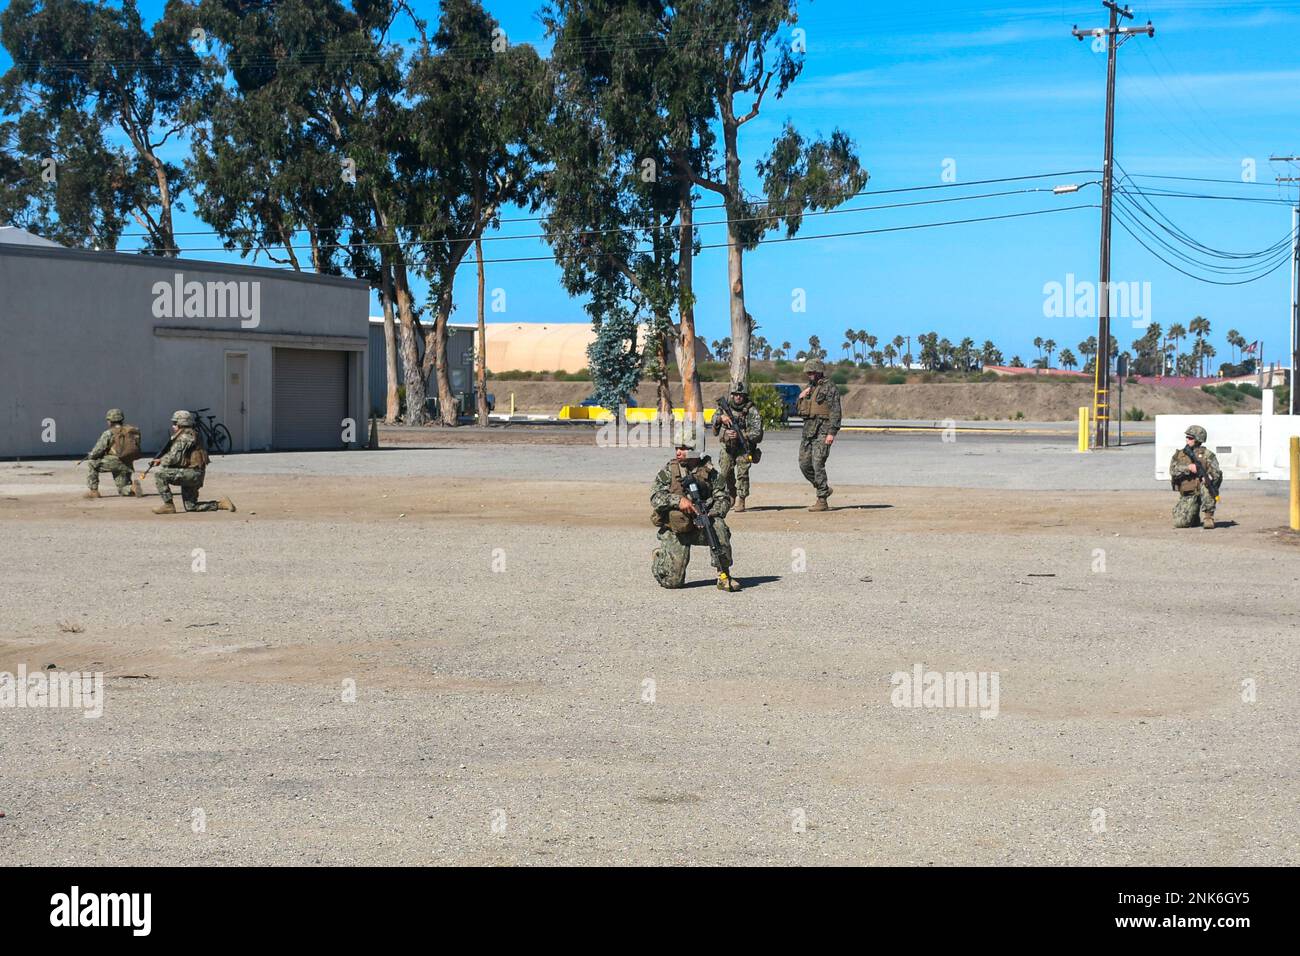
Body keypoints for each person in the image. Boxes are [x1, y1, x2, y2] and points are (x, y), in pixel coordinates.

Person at [650, 438, 741, 591]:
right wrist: (678, 501)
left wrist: (711, 513)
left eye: (684, 448)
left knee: (718, 526)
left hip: (702, 524)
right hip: (677, 528)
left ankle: (723, 574)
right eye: (677, 447)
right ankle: (660, 557)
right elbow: (655, 497)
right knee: (672, 582)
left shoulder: (710, 473)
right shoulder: (670, 471)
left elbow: (724, 499)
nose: (678, 451)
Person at [150, 410, 236, 515]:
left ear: (181, 423)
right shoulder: (192, 434)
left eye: (175, 423)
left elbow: (174, 458)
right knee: (191, 507)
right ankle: (221, 504)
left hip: (191, 474)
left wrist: (160, 461)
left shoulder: (185, 437)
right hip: (193, 473)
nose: (173, 426)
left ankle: (168, 505)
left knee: (160, 474)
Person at [796, 359, 842, 511]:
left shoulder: (830, 387)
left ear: (818, 371)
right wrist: (801, 397)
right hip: (809, 431)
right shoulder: (810, 388)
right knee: (804, 464)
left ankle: (822, 499)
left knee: (817, 463)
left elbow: (835, 411)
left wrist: (832, 432)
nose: (809, 375)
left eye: (811, 372)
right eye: (808, 373)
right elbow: (800, 411)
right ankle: (823, 487)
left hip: (823, 430)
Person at [712, 381, 763, 512]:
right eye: (735, 394)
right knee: (725, 472)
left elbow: (758, 433)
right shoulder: (724, 408)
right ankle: (731, 494)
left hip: (743, 447)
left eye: (741, 395)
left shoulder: (752, 410)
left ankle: (741, 499)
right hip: (727, 447)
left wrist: (743, 435)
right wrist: (720, 418)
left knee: (742, 474)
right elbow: (713, 421)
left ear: (745, 396)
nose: (738, 397)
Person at [1170, 424, 1220, 529]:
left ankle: (1208, 517)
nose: (1187, 439)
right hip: (1189, 492)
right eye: (1187, 437)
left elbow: (1216, 473)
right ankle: (1194, 516)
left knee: (1208, 484)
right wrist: (1188, 467)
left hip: (1203, 490)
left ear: (1198, 440)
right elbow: (1173, 470)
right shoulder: (1180, 455)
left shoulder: (1208, 455)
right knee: (1180, 523)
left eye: (1190, 438)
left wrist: (1208, 477)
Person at [83, 408, 142, 499]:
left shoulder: (109, 433)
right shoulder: (131, 431)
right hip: (127, 462)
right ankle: (132, 488)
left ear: (110, 421)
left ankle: (93, 491)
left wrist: (90, 455)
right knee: (122, 489)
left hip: (114, 461)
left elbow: (98, 450)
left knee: (92, 463)